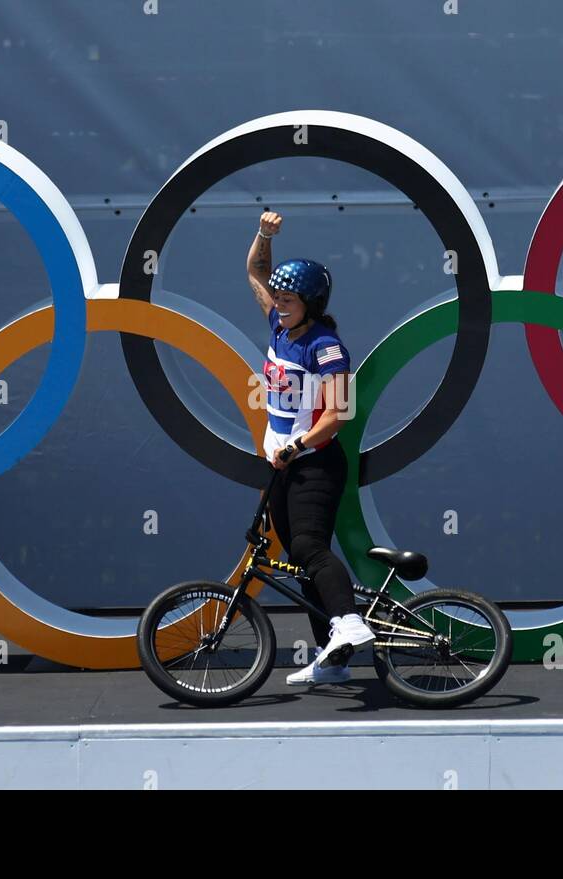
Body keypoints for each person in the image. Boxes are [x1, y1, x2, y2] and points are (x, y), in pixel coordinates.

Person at [246, 210, 375, 686]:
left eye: (288, 300)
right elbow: (256, 271)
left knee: (308, 545)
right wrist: (264, 235)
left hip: (315, 463)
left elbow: (339, 414)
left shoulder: (325, 348)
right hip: (283, 464)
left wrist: (297, 444)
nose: (278, 305)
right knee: (299, 562)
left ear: (311, 303)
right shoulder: (281, 328)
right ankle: (332, 657)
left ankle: (349, 621)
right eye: (276, 299)